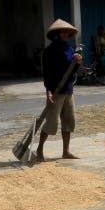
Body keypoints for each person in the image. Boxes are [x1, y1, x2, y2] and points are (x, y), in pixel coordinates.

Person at [36, 19, 83, 162]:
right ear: (57, 33)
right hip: (56, 91)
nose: (66, 33)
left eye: (67, 32)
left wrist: (77, 61)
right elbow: (47, 73)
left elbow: (72, 71)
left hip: (68, 90)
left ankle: (66, 151)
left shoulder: (68, 48)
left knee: (69, 121)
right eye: (63, 31)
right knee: (51, 123)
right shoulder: (50, 51)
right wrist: (48, 91)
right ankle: (39, 150)